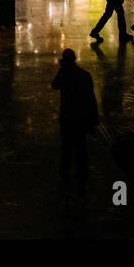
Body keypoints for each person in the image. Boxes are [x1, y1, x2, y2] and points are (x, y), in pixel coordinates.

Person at [51, 49, 98, 184]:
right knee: (81, 146)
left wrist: (61, 70)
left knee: (66, 146)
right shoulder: (85, 75)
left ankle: (65, 173)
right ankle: (82, 173)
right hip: (81, 117)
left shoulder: (64, 75)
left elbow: (54, 85)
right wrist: (93, 118)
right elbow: (91, 98)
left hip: (66, 116)